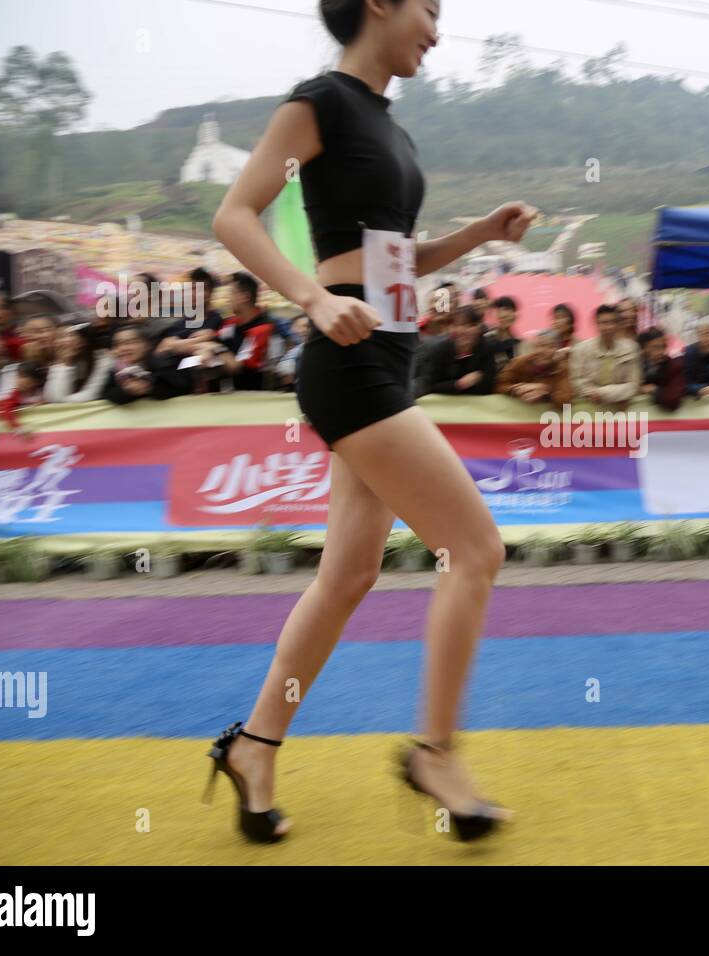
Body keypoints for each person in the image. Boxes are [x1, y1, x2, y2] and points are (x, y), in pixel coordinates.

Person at [209, 0, 535, 844]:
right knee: (476, 548)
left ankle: (254, 747)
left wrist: (479, 234)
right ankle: (436, 754)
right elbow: (234, 216)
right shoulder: (317, 102)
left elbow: (397, 260)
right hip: (348, 361)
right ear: (379, 2)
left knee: (346, 578)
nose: (437, 25)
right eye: (430, 7)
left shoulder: (394, 130)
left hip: (388, 358)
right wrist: (312, 299)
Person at [417, 305, 498, 396]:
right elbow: (430, 385)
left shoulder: (486, 348)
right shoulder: (441, 349)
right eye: (460, 325)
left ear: (479, 328)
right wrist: (459, 384)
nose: (464, 330)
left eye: (471, 325)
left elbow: (488, 386)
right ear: (452, 328)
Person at [102, 325, 194, 405]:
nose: (123, 348)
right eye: (117, 344)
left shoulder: (166, 360)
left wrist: (149, 387)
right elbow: (108, 394)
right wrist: (127, 391)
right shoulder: (117, 368)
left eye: (131, 342)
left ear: (148, 345)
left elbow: (183, 388)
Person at [570, 304, 641, 405]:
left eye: (613, 322)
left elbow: (634, 384)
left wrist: (601, 394)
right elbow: (577, 381)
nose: (610, 327)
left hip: (622, 413)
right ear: (596, 324)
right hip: (588, 411)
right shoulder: (580, 349)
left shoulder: (631, 348)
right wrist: (590, 393)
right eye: (605, 323)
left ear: (618, 324)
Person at [496, 329, 572, 406]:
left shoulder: (562, 368)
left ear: (557, 350)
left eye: (549, 346)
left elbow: (566, 401)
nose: (541, 351)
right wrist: (517, 389)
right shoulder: (520, 362)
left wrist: (545, 391)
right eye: (537, 346)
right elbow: (500, 384)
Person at [45, 324, 112, 403]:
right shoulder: (59, 363)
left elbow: (89, 395)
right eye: (57, 337)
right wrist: (63, 364)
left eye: (66, 336)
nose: (59, 342)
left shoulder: (103, 359)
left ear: (83, 340)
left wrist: (62, 400)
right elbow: (52, 397)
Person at [637, 327, 686, 410]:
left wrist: (654, 389)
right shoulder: (636, 365)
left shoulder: (674, 365)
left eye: (663, 347)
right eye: (655, 347)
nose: (661, 351)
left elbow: (673, 400)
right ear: (644, 348)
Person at [486, 295, 520, 367]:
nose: (503, 315)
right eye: (499, 311)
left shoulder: (518, 342)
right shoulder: (487, 339)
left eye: (508, 310)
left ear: (514, 315)